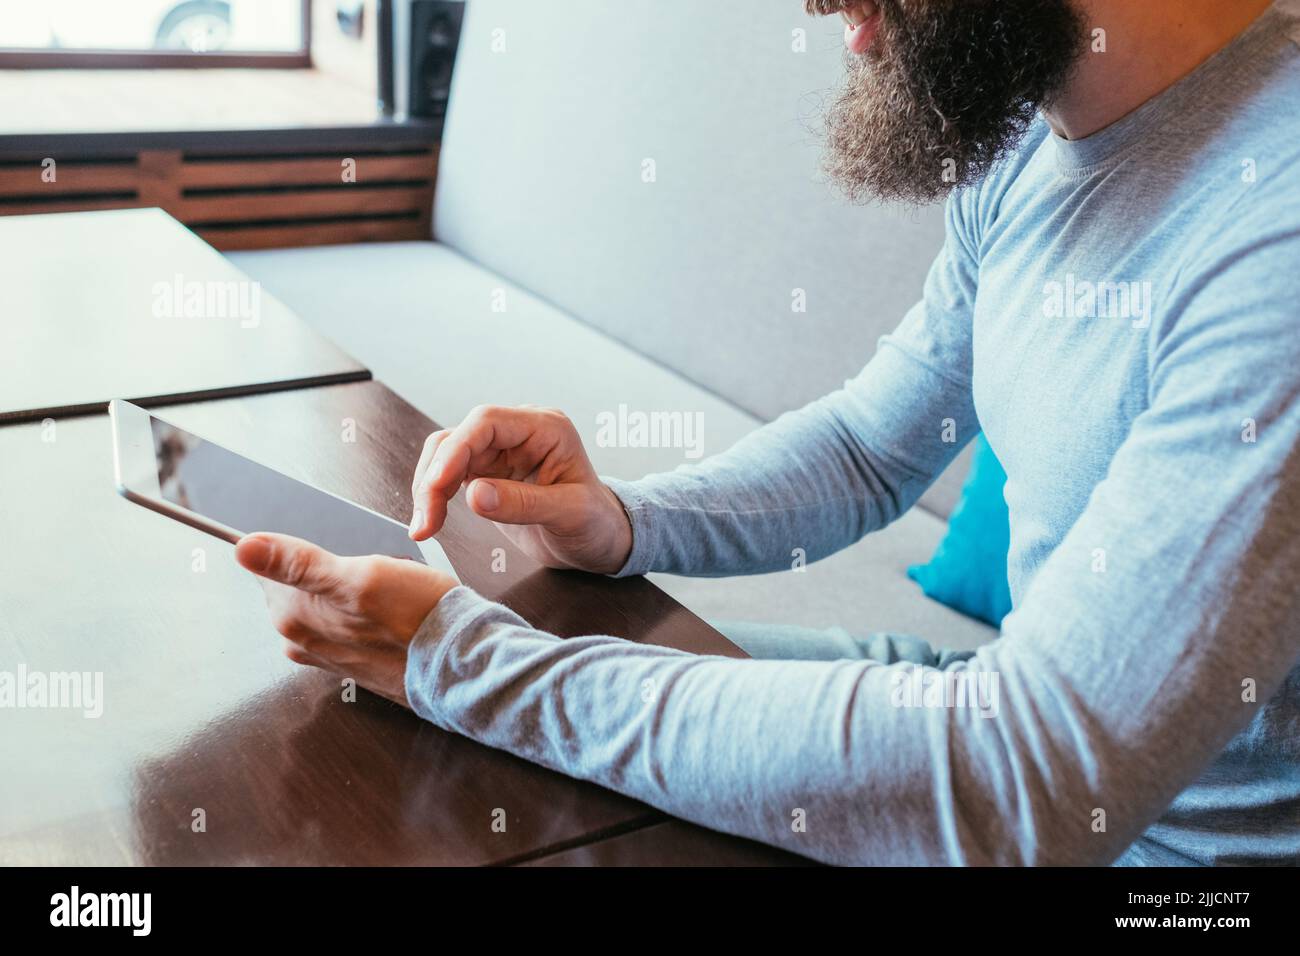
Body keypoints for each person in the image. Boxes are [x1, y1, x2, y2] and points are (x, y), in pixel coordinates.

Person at [235, 0, 1300, 865]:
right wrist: (622, 521)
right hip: (990, 727)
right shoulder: (1033, 145)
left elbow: (1025, 782)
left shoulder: (1273, 234)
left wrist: (471, 665)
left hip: (1162, 854)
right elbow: (869, 445)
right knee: (373, 717)